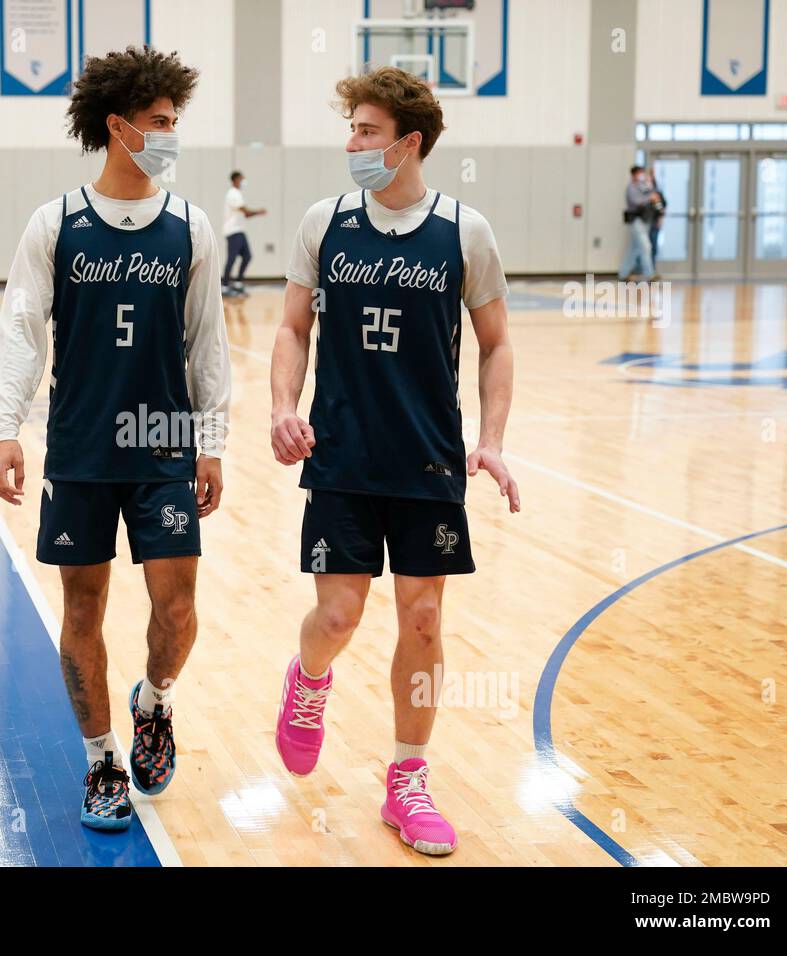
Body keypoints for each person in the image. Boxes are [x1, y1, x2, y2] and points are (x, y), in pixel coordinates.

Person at [269, 66, 519, 856]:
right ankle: (308, 683)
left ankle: (407, 779)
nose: (353, 144)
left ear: (409, 143)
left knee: (422, 618)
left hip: (429, 464)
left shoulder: (464, 232)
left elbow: (498, 343)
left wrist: (493, 439)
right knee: (339, 617)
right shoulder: (325, 222)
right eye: (352, 130)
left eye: (367, 131)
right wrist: (283, 406)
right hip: (340, 455)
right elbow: (291, 329)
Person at [0, 46, 231, 832]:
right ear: (120, 127)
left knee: (178, 604)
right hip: (82, 444)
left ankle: (154, 703)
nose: (171, 134)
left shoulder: (191, 226)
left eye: (175, 121)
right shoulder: (54, 223)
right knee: (84, 608)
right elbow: (22, 333)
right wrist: (5, 430)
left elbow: (207, 344)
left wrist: (213, 440)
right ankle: (100, 762)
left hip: (163, 438)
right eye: (161, 122)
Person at [221, 170, 266, 296]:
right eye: (242, 179)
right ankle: (224, 286)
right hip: (233, 231)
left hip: (239, 230)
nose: (243, 182)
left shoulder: (237, 194)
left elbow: (245, 215)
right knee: (232, 258)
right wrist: (258, 211)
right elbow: (245, 210)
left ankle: (238, 283)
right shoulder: (233, 194)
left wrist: (256, 213)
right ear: (235, 180)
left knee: (247, 256)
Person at [620, 165, 657, 280]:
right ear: (634, 174)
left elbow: (651, 191)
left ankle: (623, 273)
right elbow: (637, 202)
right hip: (635, 220)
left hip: (644, 220)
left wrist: (651, 179)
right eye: (639, 173)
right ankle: (649, 274)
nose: (641, 175)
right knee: (646, 246)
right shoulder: (631, 188)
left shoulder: (642, 186)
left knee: (634, 248)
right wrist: (649, 198)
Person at [647, 167, 665, 274]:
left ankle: (651, 271)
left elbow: (661, 208)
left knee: (653, 248)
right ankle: (647, 271)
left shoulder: (656, 193)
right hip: (644, 223)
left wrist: (660, 219)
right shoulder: (643, 192)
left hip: (653, 224)